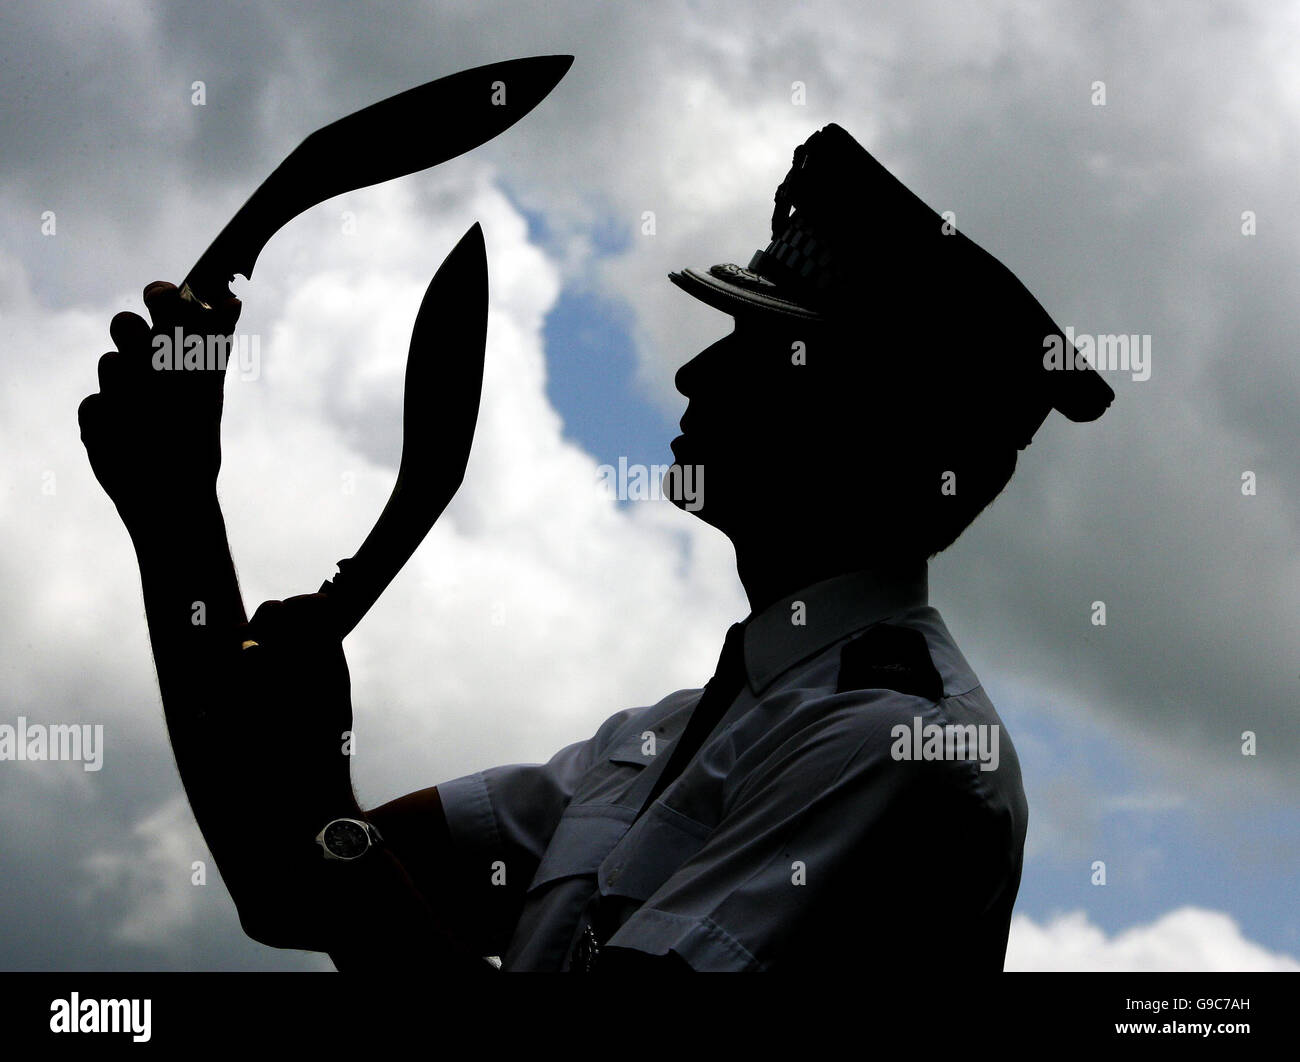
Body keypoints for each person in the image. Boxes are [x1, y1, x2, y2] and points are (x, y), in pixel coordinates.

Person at [79, 122, 1112, 973]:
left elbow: (322, 853)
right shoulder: (660, 740)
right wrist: (173, 517)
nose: (692, 377)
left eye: (757, 348)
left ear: (872, 430)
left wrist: (320, 803)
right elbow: (289, 884)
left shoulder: (894, 751)